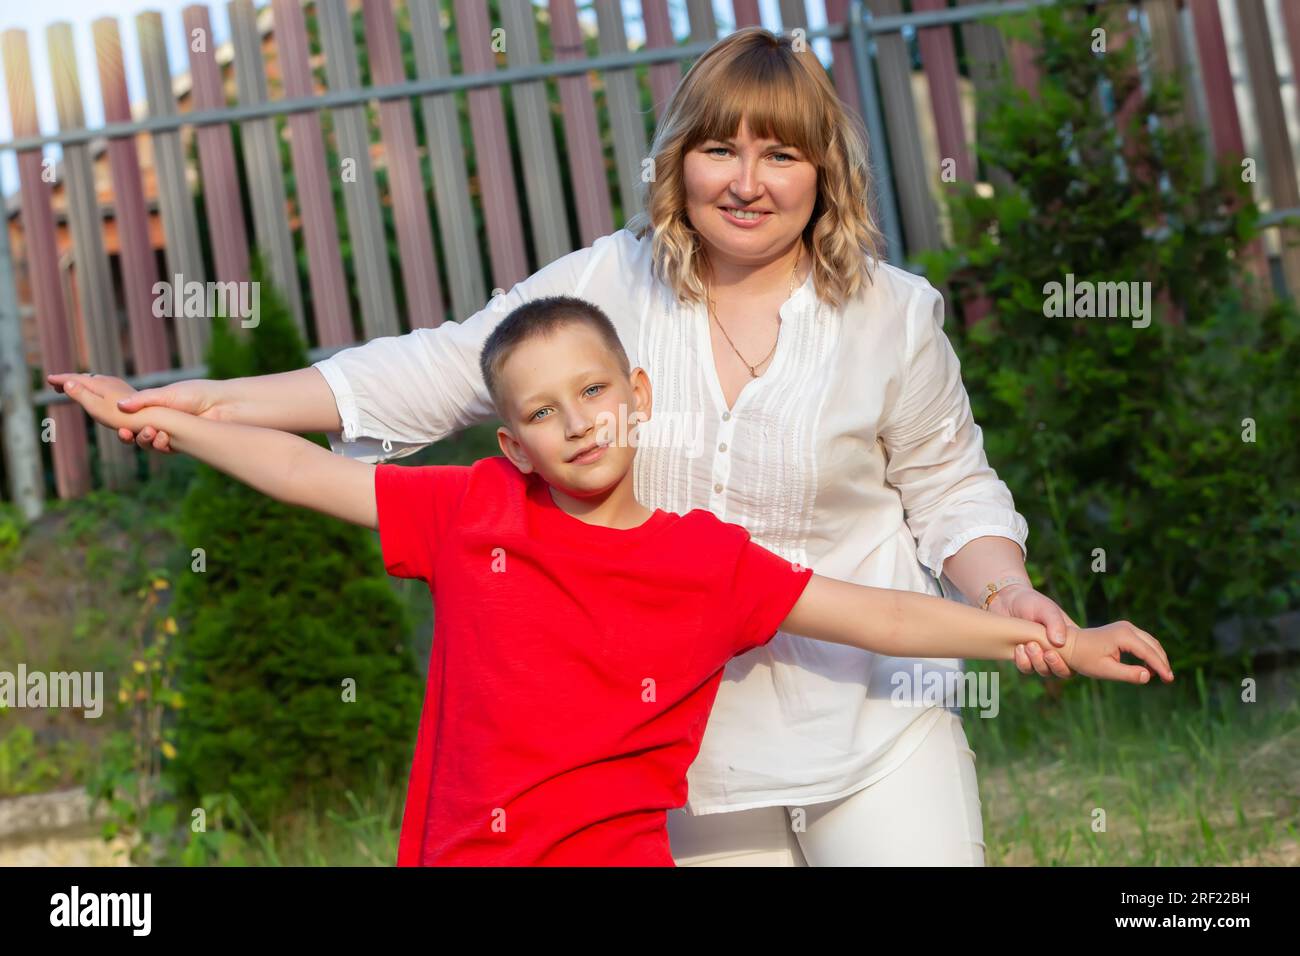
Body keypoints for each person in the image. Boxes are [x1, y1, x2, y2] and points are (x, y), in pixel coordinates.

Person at [54, 28, 1081, 866]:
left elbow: (950, 486)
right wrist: (212, 399)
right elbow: (435, 368)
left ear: (825, 170)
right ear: (679, 159)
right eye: (720, 147)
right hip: (678, 753)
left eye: (781, 152)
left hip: (873, 720)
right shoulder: (608, 283)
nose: (748, 180)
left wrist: (1003, 595)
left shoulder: (891, 313)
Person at [52, 296, 1172, 866]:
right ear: (510, 444)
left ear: (636, 393)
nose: (575, 422)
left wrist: (1053, 637)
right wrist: (175, 415)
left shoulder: (702, 560)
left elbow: (875, 609)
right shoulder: (470, 510)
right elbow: (302, 468)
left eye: (592, 392)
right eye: (540, 410)